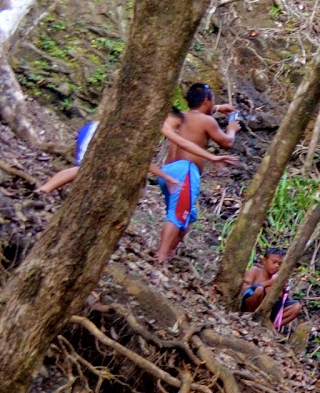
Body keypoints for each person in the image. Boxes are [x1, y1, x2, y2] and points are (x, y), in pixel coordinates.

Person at [155, 83, 240, 263]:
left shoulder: (181, 117)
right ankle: (160, 257)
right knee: (177, 215)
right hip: (185, 171)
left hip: (167, 171)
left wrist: (217, 108)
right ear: (206, 100)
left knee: (189, 216)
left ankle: (167, 253)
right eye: (213, 101)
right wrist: (231, 130)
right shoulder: (207, 121)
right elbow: (226, 143)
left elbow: (200, 114)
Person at [37, 121, 181, 197]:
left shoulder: (148, 133)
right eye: (177, 125)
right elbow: (145, 163)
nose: (176, 130)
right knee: (84, 168)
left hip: (109, 140)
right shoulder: (155, 123)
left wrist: (166, 177)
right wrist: (166, 177)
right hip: (98, 130)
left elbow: (142, 161)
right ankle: (44, 190)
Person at [240, 248, 302, 330]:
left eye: (279, 264)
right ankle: (251, 320)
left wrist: (283, 290)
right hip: (250, 309)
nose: (277, 266)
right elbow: (243, 290)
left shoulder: (278, 279)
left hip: (268, 313)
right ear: (264, 260)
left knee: (296, 306)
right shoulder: (255, 271)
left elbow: (283, 302)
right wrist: (268, 283)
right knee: (258, 290)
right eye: (274, 262)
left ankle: (270, 329)